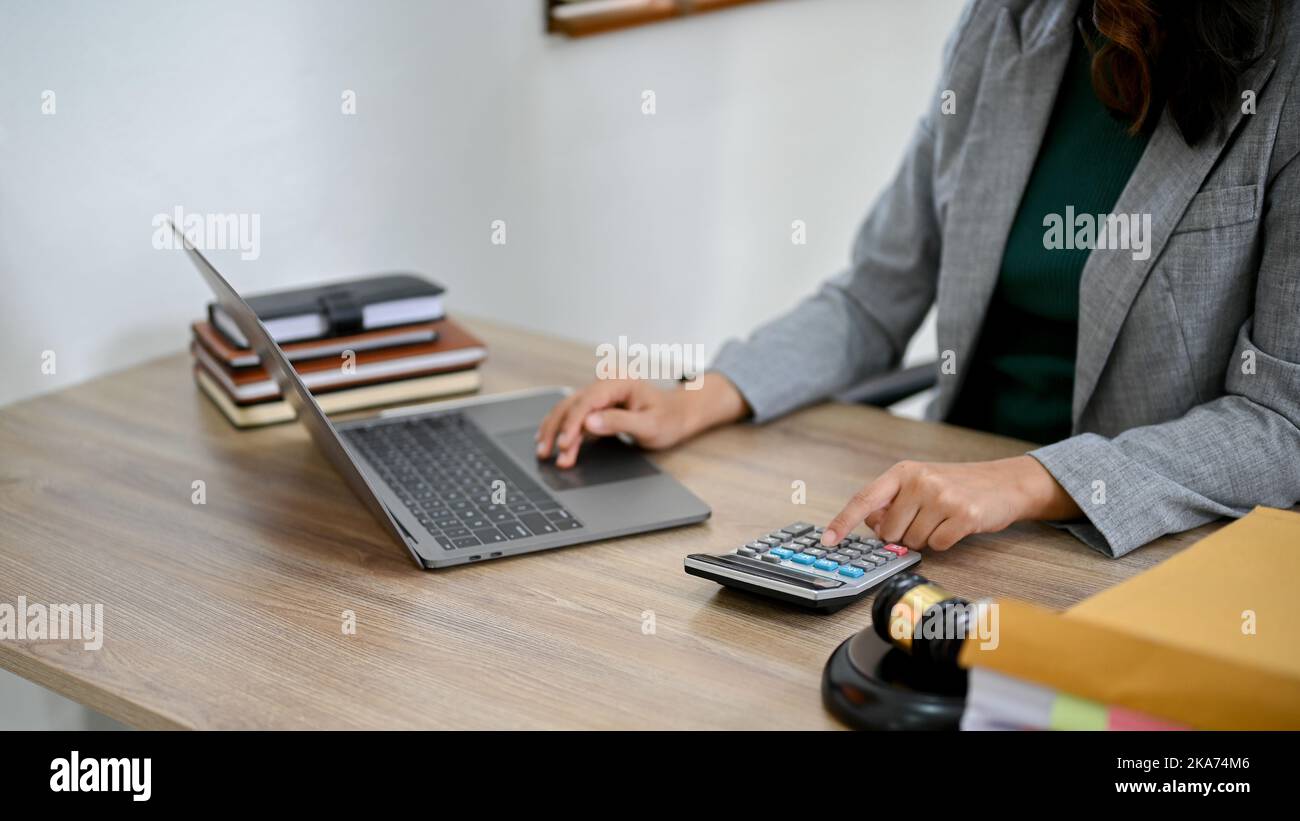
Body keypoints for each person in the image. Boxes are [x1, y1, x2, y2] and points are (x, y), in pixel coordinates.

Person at [536, 0, 1300, 558]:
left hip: (1144, 549)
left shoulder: (1285, 63)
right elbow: (874, 294)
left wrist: (1029, 480)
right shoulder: (1002, 24)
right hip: (948, 526)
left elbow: (1280, 424)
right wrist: (694, 397)